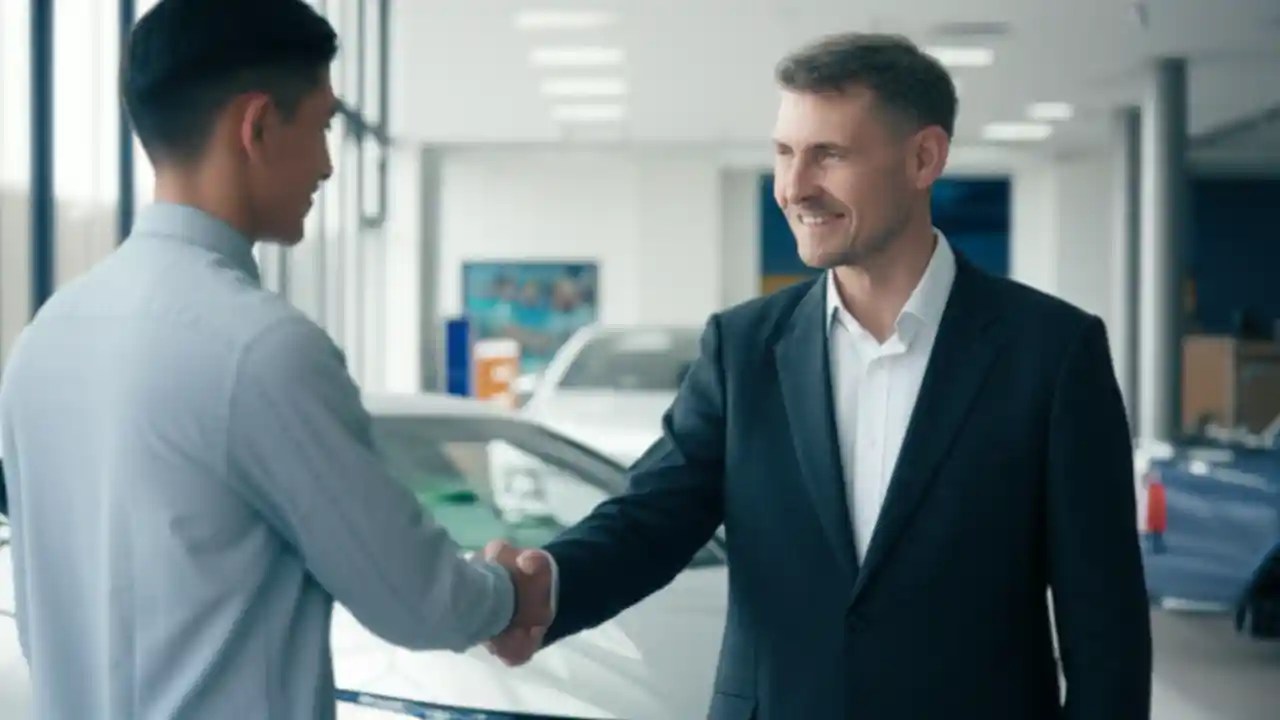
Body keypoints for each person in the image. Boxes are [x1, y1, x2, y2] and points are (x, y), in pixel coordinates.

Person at [485, 33, 1152, 718]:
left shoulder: (1051, 352)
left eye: (828, 154)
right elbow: (651, 520)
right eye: (783, 152)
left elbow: (1106, 625)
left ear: (924, 157)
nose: (793, 187)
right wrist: (548, 584)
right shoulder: (742, 348)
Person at [0, 1, 550, 717]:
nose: (326, 163)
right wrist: (511, 590)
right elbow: (419, 601)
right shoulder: (261, 349)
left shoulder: (44, 339)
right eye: (322, 126)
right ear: (257, 126)